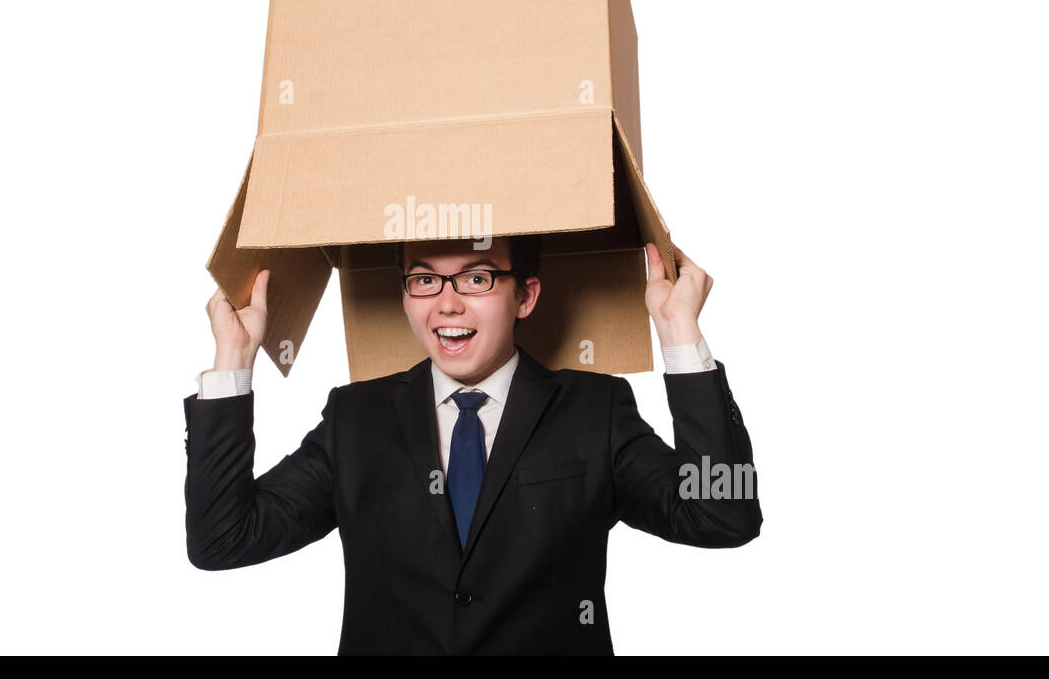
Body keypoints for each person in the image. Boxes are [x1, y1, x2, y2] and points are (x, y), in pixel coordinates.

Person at [183, 234, 761, 655]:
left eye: (478, 278)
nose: (448, 303)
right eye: (425, 279)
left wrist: (680, 334)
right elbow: (223, 540)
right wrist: (233, 361)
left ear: (526, 296)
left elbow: (722, 516)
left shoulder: (593, 410)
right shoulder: (356, 418)